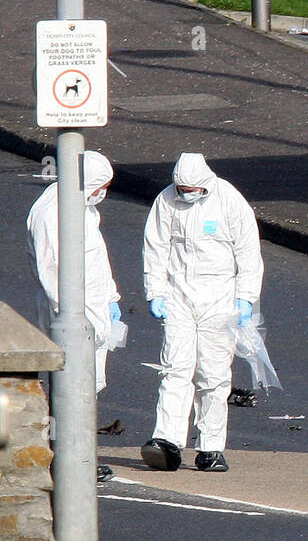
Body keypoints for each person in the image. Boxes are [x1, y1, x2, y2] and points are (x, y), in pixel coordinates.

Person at [140, 153, 264, 473]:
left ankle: (210, 447)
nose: (185, 192)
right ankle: (167, 441)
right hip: (179, 297)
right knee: (175, 369)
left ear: (205, 184)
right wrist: (155, 292)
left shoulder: (229, 200)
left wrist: (246, 298)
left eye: (191, 188)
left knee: (214, 375)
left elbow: (248, 251)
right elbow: (155, 248)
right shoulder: (166, 201)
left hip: (220, 298)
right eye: (180, 187)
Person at [26, 149, 121, 482]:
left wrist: (110, 298)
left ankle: (76, 454)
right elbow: (50, 268)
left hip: (91, 307)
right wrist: (69, 315)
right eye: (101, 186)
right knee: (72, 386)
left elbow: (96, 261)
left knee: (87, 386)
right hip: (69, 312)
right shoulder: (52, 211)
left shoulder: (81, 206)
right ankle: (69, 457)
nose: (102, 194)